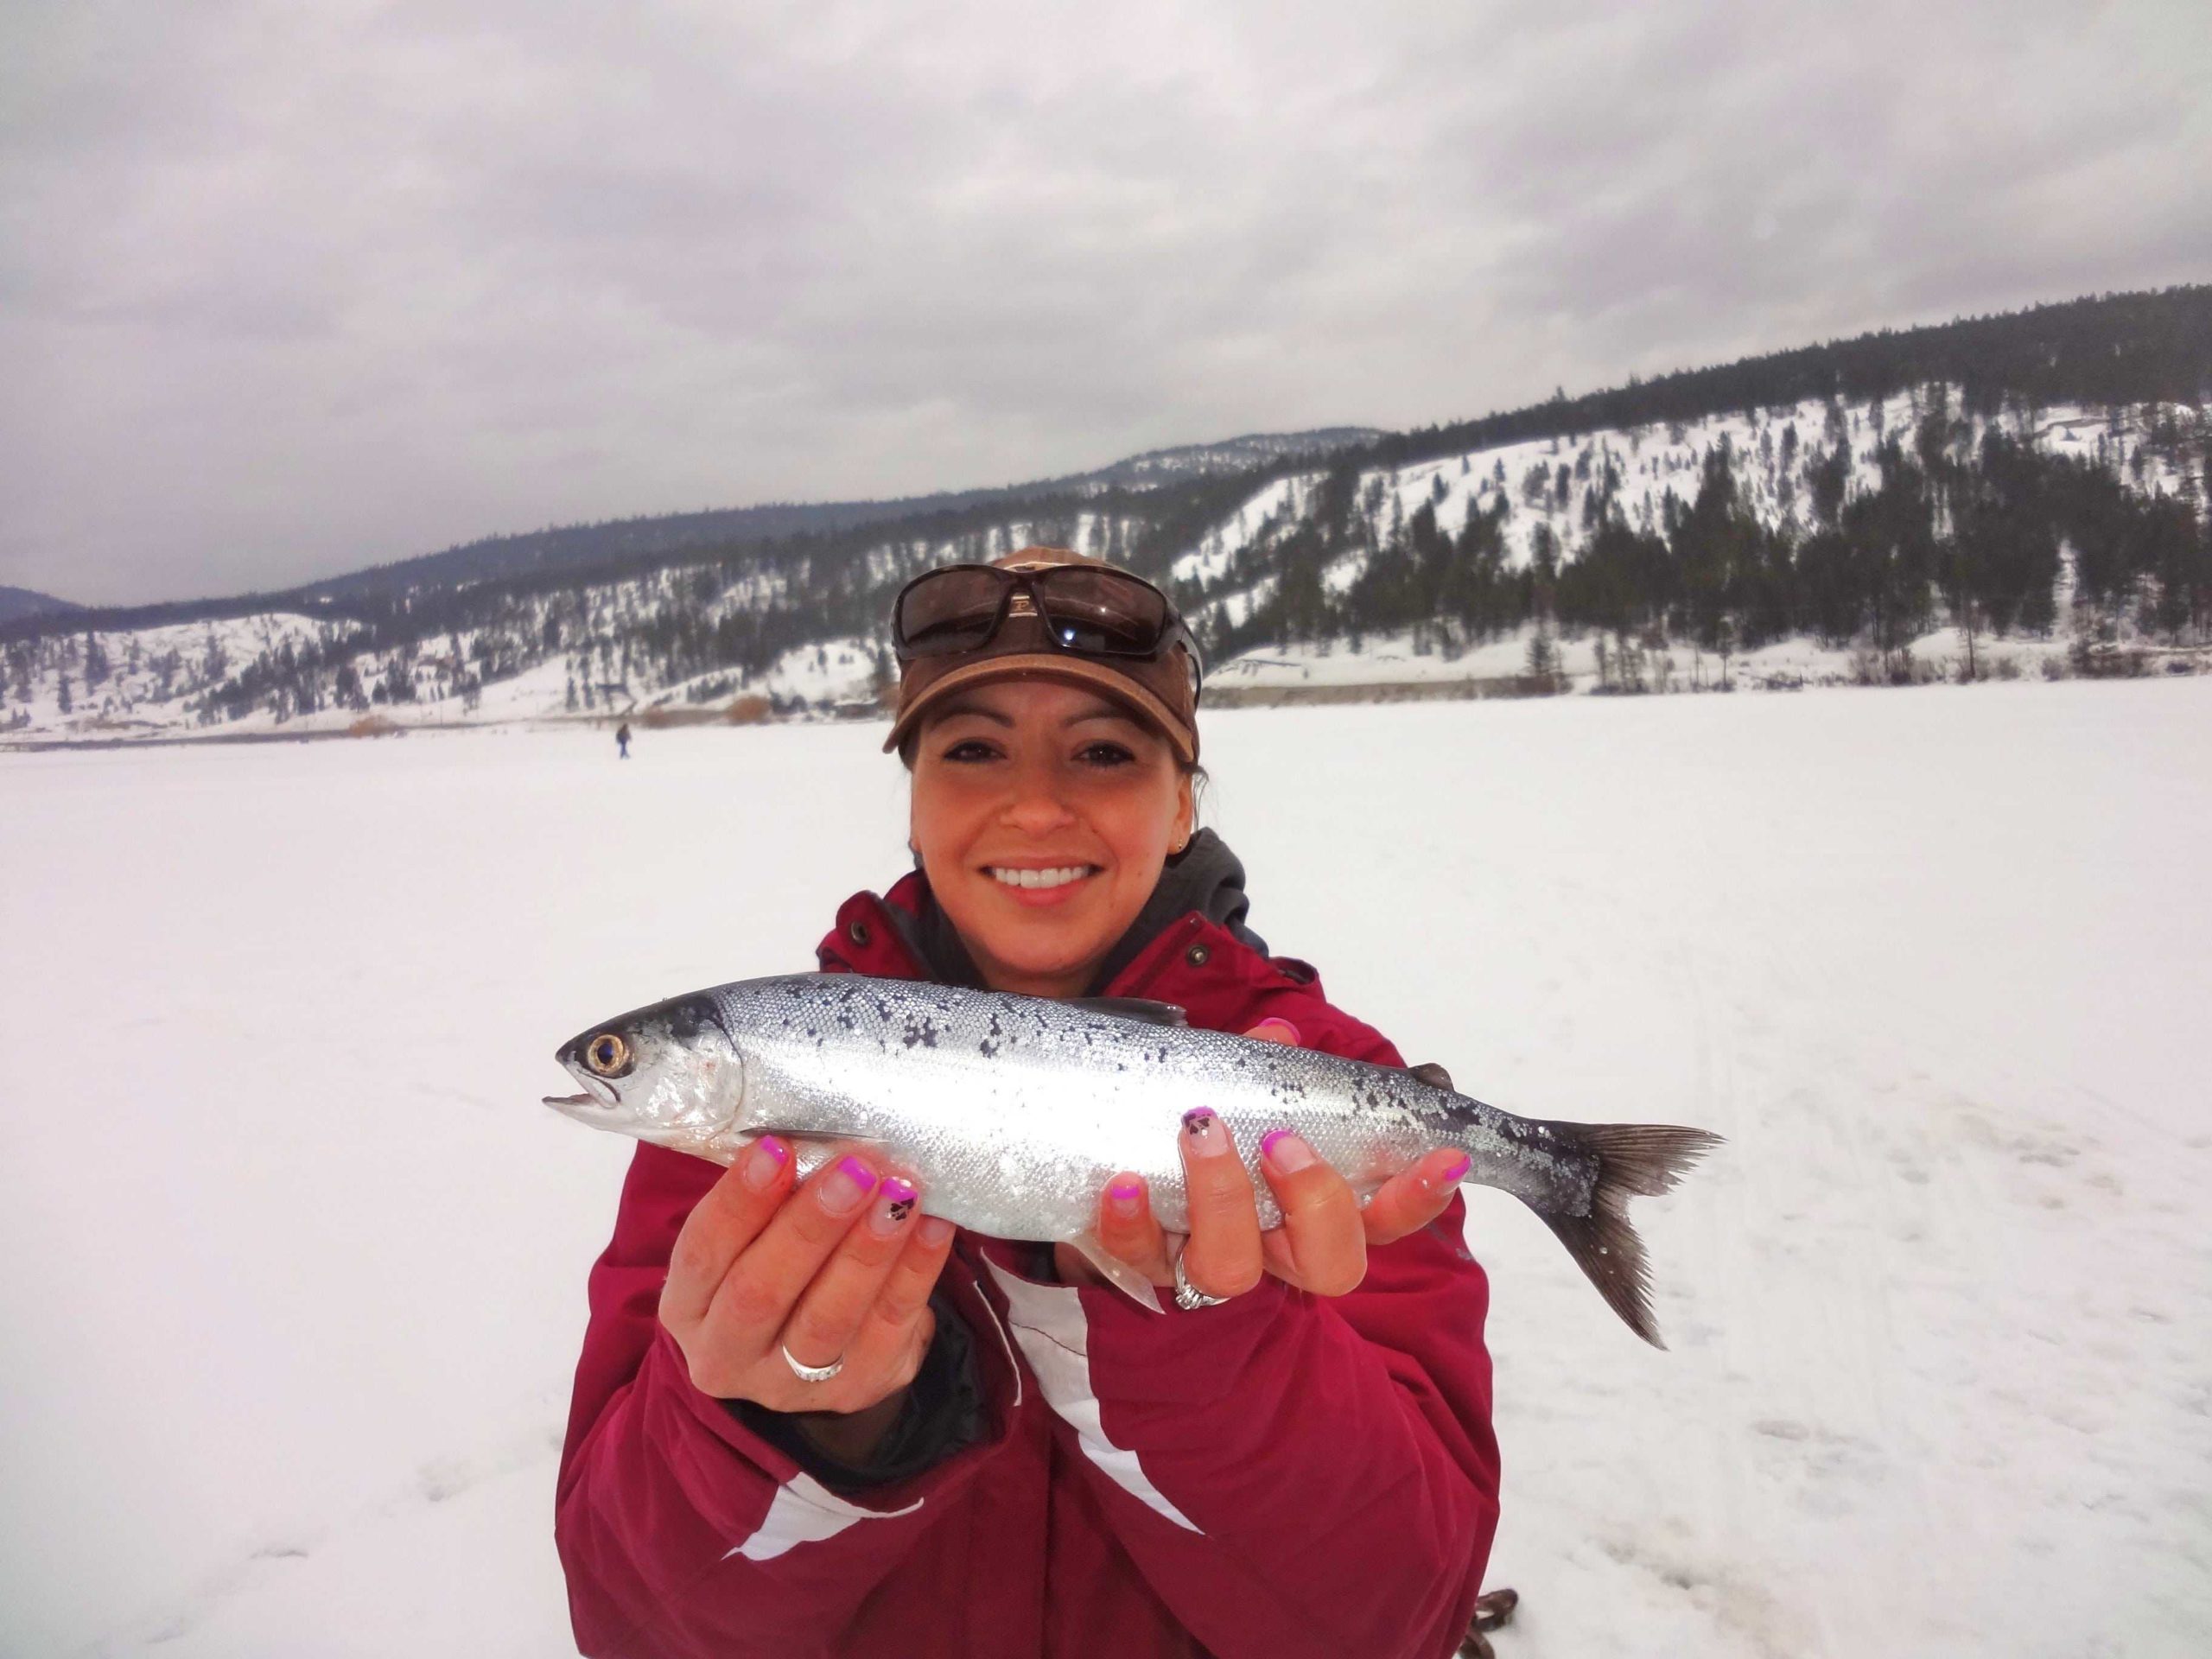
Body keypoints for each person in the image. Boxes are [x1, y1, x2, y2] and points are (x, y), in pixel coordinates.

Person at [555, 548, 1506, 1658]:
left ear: (1181, 804)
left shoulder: (1324, 1098)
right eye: (972, 751)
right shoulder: (747, 1122)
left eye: (1103, 753)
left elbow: (1402, 1620)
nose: (1036, 806)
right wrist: (794, 1423)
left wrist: (1216, 1351)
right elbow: (630, 1628)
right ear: (912, 802)